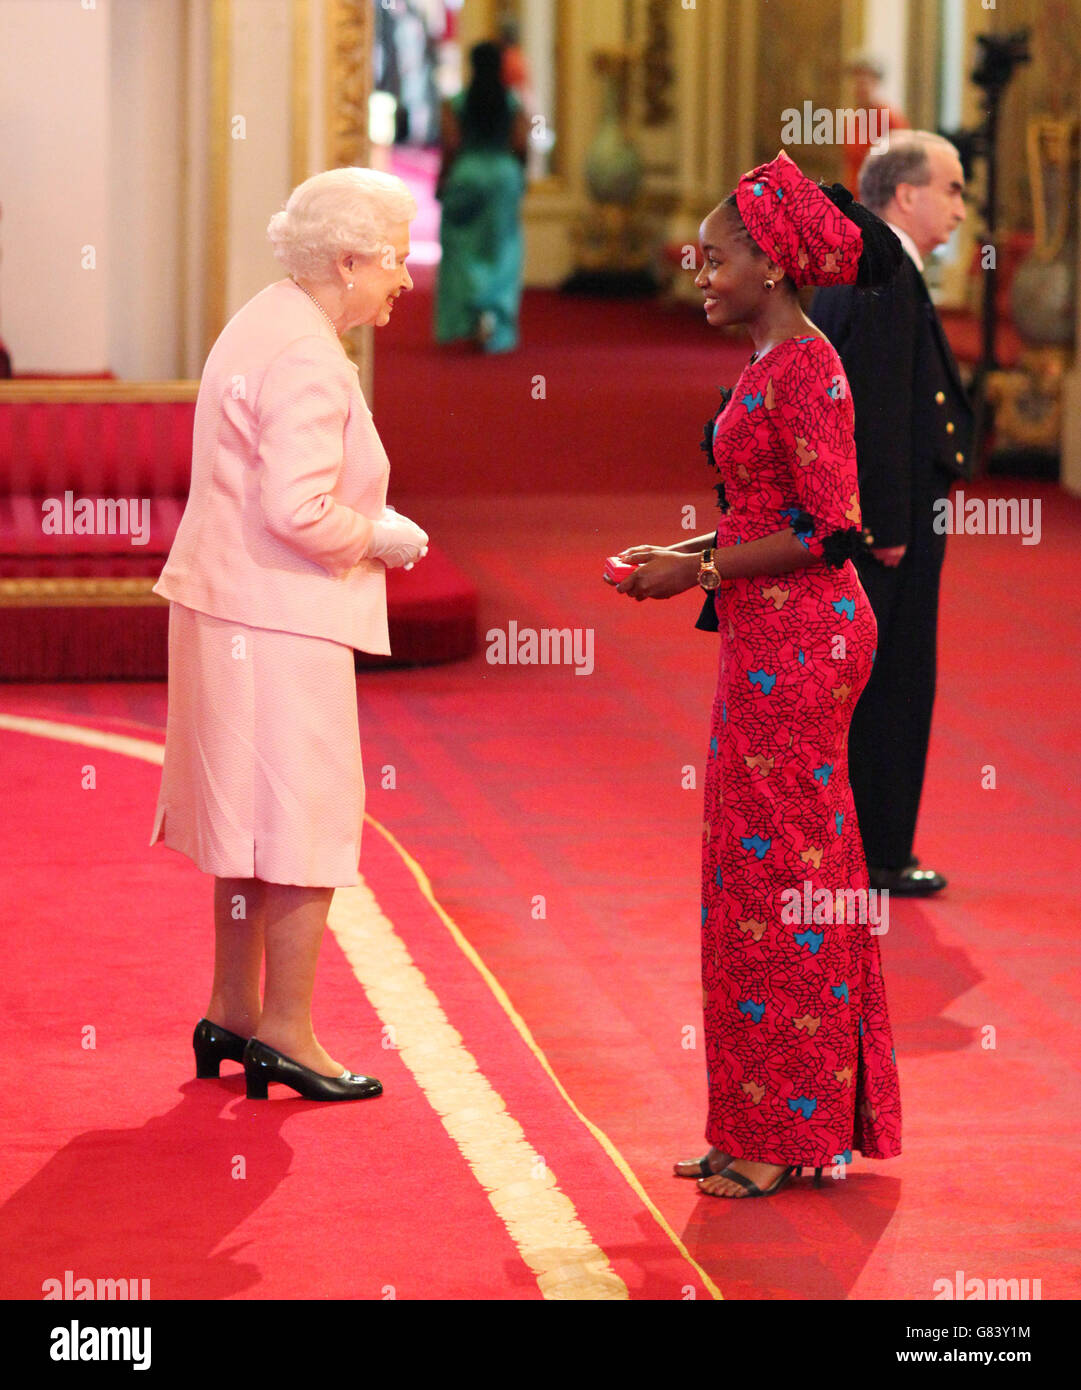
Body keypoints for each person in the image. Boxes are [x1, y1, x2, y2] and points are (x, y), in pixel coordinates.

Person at [615, 150, 904, 1198]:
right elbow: (766, 516)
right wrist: (685, 548)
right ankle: (763, 1119)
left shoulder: (807, 368)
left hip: (806, 642)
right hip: (765, 635)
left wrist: (687, 568)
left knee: (781, 889)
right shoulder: (765, 364)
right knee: (756, 883)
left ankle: (784, 1134)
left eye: (714, 261)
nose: (699, 276)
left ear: (774, 267)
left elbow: (832, 534)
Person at [149, 168, 430, 1102]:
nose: (402, 279)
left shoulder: (263, 316)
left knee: (245, 825)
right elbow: (299, 510)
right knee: (304, 824)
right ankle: (289, 1032)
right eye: (393, 259)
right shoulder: (311, 354)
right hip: (274, 615)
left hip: (228, 604)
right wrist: (379, 537)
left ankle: (233, 1009)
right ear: (346, 260)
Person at [810, 131, 970, 896]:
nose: (961, 209)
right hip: (891, 525)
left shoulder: (873, 261)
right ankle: (878, 853)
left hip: (893, 516)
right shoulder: (880, 269)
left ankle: (870, 846)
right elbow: (873, 406)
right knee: (893, 684)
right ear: (905, 194)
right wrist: (888, 526)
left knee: (883, 685)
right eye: (952, 188)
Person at [435, 40, 529, 353]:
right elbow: (520, 144)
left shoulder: (456, 102)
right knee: (502, 249)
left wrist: (443, 180)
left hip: (467, 173)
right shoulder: (512, 102)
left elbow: (450, 146)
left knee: (461, 248)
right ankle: (495, 318)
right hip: (503, 176)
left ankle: (466, 316)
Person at [841, 53, 909, 193]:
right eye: (856, 82)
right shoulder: (855, 117)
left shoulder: (890, 119)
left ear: (877, 83)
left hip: (878, 199)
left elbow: (902, 167)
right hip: (855, 196)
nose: (860, 87)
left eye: (865, 82)